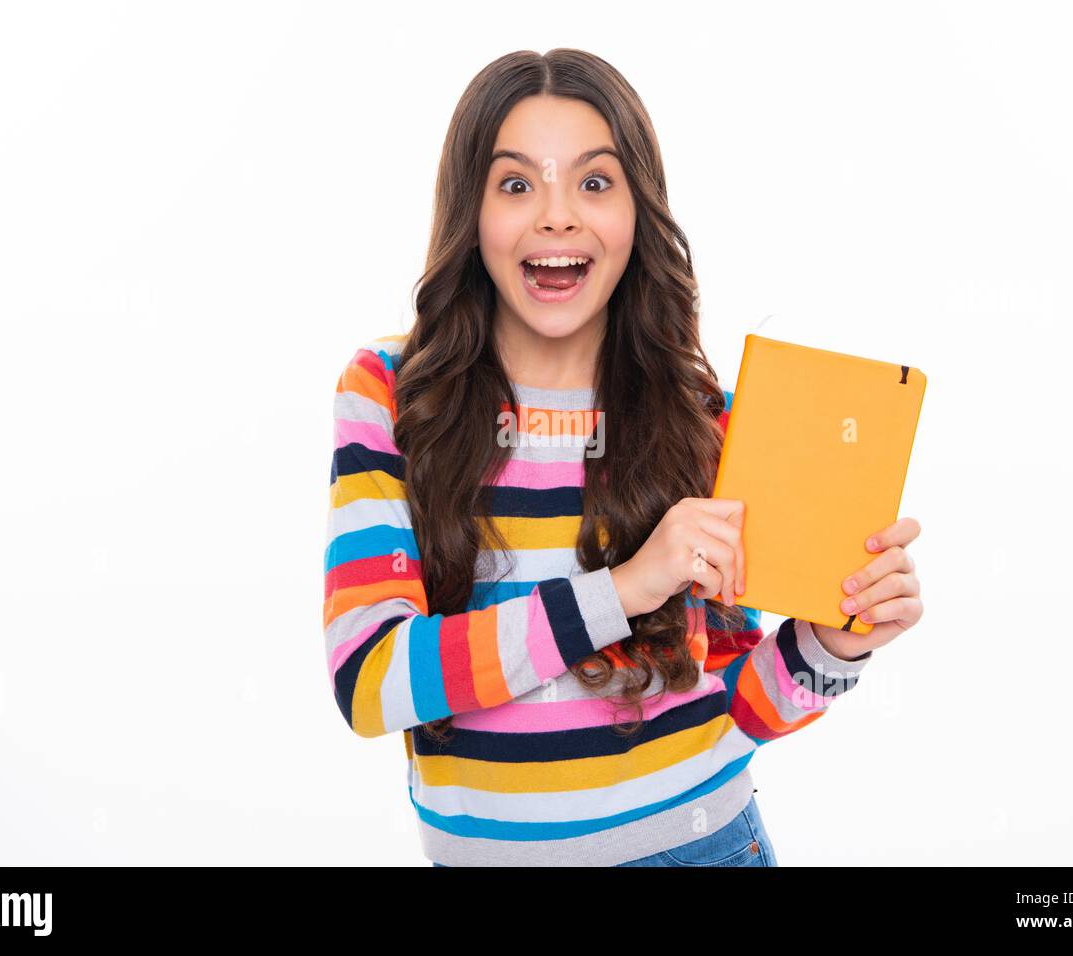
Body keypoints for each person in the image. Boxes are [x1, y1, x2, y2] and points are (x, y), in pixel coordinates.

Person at [322, 49, 924, 867]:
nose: (558, 216)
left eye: (594, 182)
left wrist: (833, 645)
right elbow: (371, 679)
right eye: (516, 183)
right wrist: (624, 589)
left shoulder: (700, 417)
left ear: (639, 211)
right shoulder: (393, 393)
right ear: (472, 211)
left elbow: (737, 709)